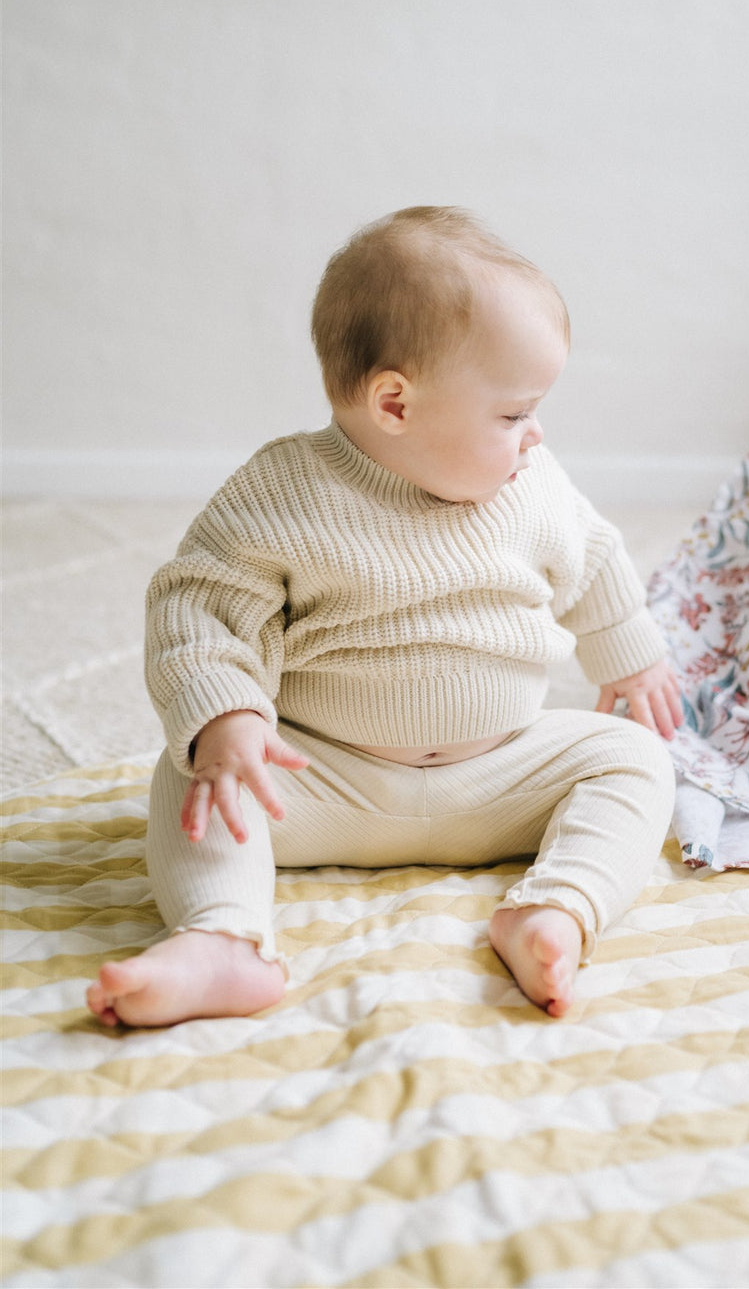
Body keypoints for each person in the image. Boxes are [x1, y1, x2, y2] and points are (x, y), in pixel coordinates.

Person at [86, 207, 681, 1029]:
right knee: (194, 776)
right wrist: (225, 718)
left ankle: (557, 909)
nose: (536, 433)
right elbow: (198, 606)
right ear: (395, 403)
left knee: (635, 759)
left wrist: (632, 657)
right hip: (325, 780)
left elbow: (598, 560)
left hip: (498, 776)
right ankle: (224, 935)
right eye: (513, 413)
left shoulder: (536, 484)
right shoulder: (284, 494)